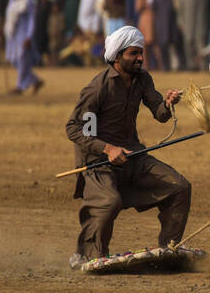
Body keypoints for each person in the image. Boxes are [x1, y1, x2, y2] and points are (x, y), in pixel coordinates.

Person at [64, 25, 190, 267]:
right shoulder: (97, 88)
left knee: (179, 186)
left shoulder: (142, 79)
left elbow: (161, 114)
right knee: (109, 202)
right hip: (98, 162)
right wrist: (108, 149)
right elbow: (74, 128)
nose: (140, 58)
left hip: (133, 155)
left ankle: (169, 250)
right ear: (117, 56)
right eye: (133, 53)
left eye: (141, 52)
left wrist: (168, 102)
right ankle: (87, 255)